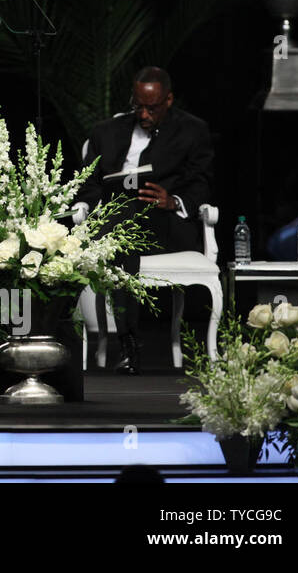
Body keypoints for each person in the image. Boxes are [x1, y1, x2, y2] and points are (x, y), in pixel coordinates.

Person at [76, 66, 214, 375]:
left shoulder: (192, 131)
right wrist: (91, 206)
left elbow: (201, 183)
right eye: (138, 105)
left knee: (124, 225)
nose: (144, 114)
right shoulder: (105, 132)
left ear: (168, 100)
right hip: (114, 223)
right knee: (120, 223)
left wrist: (173, 201)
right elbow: (86, 183)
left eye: (152, 107)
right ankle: (118, 342)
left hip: (165, 225)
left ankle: (127, 342)